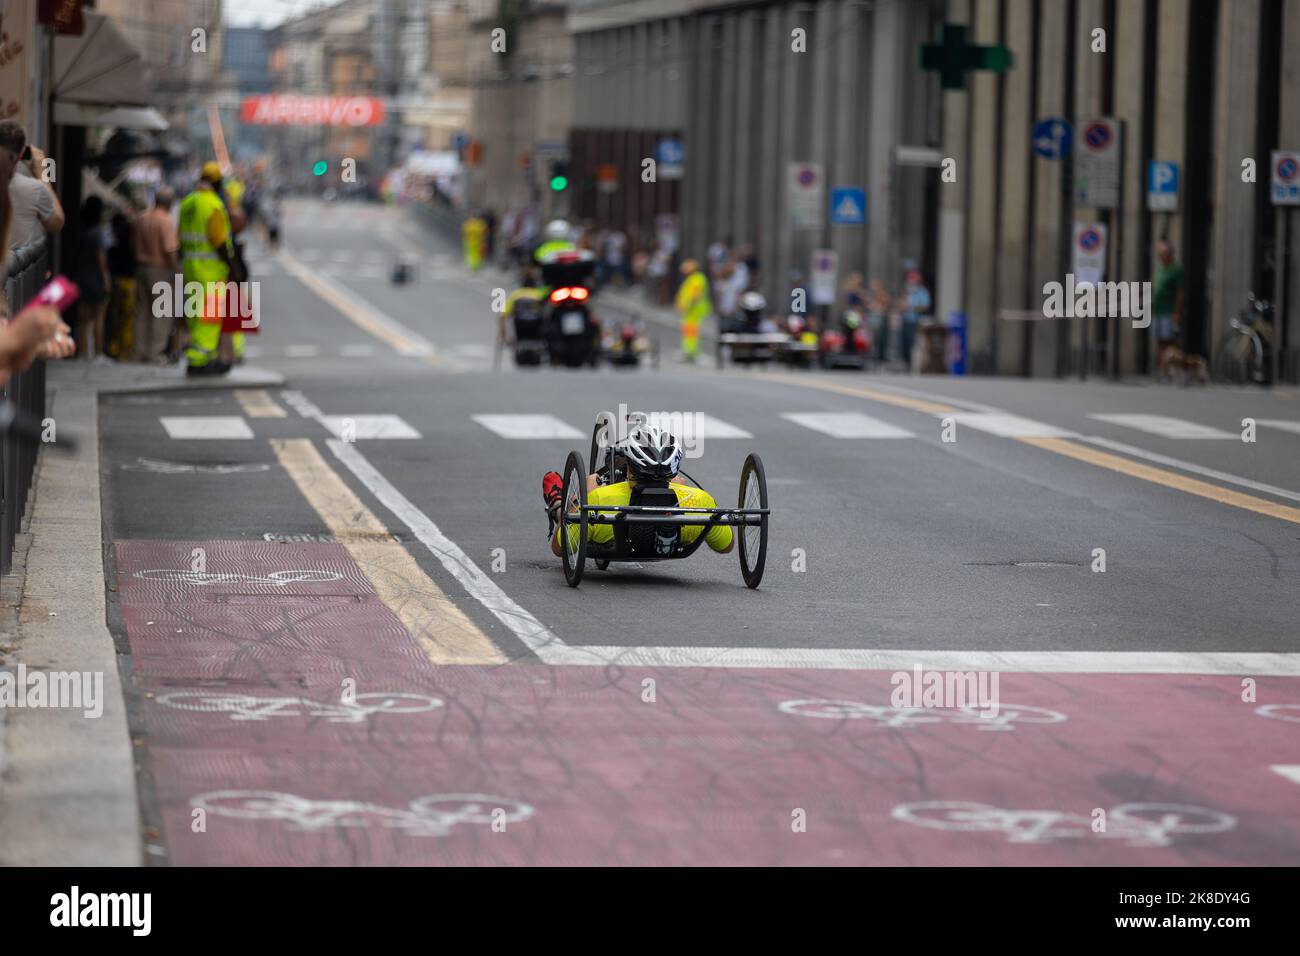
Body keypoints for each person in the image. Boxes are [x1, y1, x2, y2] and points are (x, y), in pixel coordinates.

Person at [541, 423, 734, 557]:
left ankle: (557, 503)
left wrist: (580, 500)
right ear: (674, 467)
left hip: (609, 519)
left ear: (630, 466)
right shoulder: (702, 502)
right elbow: (726, 546)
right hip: (681, 510)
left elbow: (560, 548)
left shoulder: (598, 498)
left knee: (587, 484)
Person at [178, 162, 238, 376]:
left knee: (195, 315)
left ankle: (197, 355)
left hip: (190, 268)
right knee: (210, 318)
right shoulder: (212, 204)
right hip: (211, 272)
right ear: (217, 182)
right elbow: (219, 241)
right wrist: (233, 266)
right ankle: (200, 360)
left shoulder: (187, 202)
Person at [0, 122, 64, 251]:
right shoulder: (34, 189)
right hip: (10, 269)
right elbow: (57, 223)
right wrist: (43, 177)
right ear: (22, 151)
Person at [133, 187, 179, 363]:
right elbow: (170, 249)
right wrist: (176, 269)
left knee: (142, 312)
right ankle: (155, 352)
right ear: (169, 203)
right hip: (160, 269)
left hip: (141, 268)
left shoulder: (142, 218)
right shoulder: (166, 221)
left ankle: (140, 351)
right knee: (161, 313)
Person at [74, 196, 111, 360]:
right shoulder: (97, 233)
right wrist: (106, 280)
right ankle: (98, 353)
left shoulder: (82, 231)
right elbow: (101, 259)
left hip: (82, 276)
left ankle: (82, 352)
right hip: (95, 278)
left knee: (83, 318)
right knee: (99, 318)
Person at [1152, 240, 1185, 379]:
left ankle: (1170, 370)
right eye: (1159, 254)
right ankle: (1162, 369)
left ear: (1170, 255)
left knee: (1168, 342)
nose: (1160, 257)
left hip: (1168, 311)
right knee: (1160, 341)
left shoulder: (1176, 270)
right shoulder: (1160, 268)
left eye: (1163, 254)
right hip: (1157, 310)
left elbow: (1180, 293)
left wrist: (1177, 313)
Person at [674, 259, 711, 363]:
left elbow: (695, 295)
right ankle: (690, 352)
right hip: (691, 310)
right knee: (690, 331)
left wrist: (687, 307)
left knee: (690, 332)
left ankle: (690, 352)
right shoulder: (693, 278)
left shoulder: (696, 278)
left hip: (693, 310)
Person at [897, 269, 932, 369]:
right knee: (904, 342)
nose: (911, 284)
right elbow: (900, 305)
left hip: (915, 321)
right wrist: (902, 305)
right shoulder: (907, 292)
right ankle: (904, 362)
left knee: (913, 342)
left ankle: (912, 364)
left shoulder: (922, 292)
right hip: (905, 320)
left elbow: (925, 306)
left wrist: (911, 307)